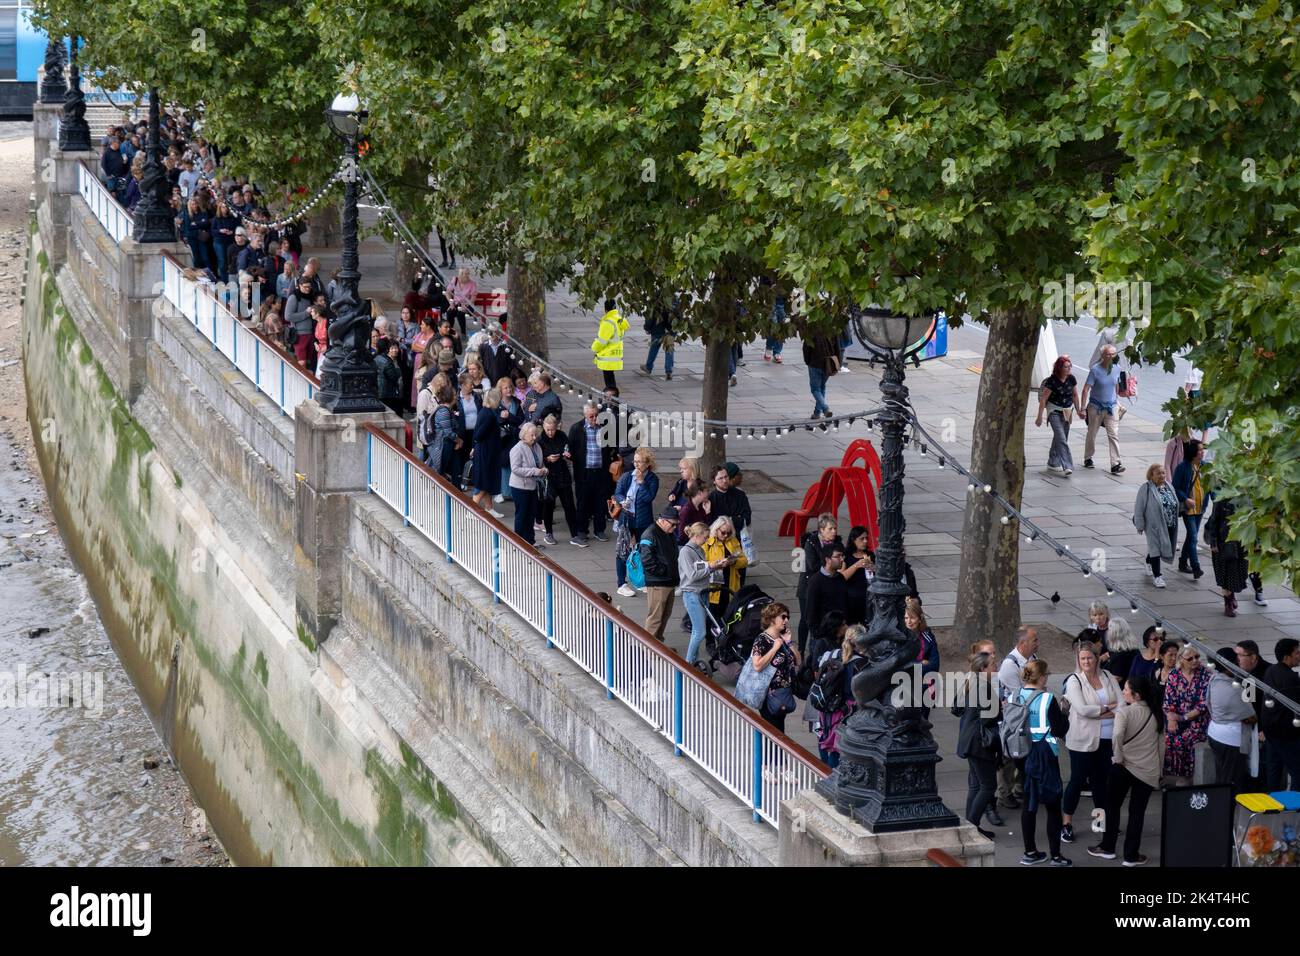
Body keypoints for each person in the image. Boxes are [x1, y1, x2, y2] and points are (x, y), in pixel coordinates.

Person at [1088, 674, 1164, 866]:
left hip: (1123, 767)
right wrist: (1159, 769)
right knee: (1137, 813)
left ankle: (1108, 847)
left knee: (1111, 807)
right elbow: (1161, 745)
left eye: (1126, 690)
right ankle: (1131, 855)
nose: (1123, 692)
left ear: (1136, 695)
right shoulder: (1156, 712)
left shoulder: (1125, 712)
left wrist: (1118, 758)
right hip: (1147, 769)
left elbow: (1118, 736)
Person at [1060, 641, 1122, 845]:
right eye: (1082, 658)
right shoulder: (1074, 681)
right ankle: (1066, 825)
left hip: (1106, 740)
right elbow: (1082, 709)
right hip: (1082, 741)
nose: (1086, 661)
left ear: (1097, 658)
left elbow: (1122, 704)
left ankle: (1099, 822)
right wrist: (1108, 708)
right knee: (1077, 782)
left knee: (1101, 784)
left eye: (1089, 657)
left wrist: (1100, 710)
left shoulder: (1108, 676)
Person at [1016, 660, 1072, 866]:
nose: (1047, 677)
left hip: (1022, 752)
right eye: (1046, 674)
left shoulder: (1016, 695)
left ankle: (1029, 851)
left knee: (1029, 804)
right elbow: (1059, 729)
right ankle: (1056, 855)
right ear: (1040, 678)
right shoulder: (1048, 698)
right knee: (1052, 804)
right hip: (1044, 755)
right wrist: (1065, 714)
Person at [955, 650, 1002, 839]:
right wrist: (1000, 708)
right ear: (983, 668)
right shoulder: (984, 686)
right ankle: (972, 826)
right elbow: (991, 716)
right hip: (979, 743)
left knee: (976, 785)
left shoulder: (970, 681)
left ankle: (970, 826)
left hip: (969, 739)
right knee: (988, 786)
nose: (996, 667)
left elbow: (956, 708)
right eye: (993, 664)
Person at [812, 624, 867, 768]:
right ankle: (831, 778)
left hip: (827, 707)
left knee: (825, 742)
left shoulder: (830, 655)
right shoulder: (861, 663)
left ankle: (823, 771)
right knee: (838, 750)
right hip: (846, 710)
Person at [997, 625, 1039, 810]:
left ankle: (1020, 788)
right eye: (1034, 640)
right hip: (1012, 720)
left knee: (1023, 754)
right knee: (1009, 757)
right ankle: (1004, 794)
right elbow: (1020, 697)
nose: (1038, 643)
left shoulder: (1032, 659)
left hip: (1025, 717)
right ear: (1023, 643)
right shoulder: (1009, 665)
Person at [1205, 497, 1266, 617]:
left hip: (1241, 543)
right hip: (1224, 542)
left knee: (1240, 574)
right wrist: (1213, 542)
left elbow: (1255, 521)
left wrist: (1256, 541)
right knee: (1227, 575)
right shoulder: (1222, 498)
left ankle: (1231, 596)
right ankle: (1228, 604)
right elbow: (1214, 521)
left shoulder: (1248, 497)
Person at [1207, 647, 1256, 792]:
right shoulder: (1234, 690)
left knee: (1222, 773)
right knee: (1233, 779)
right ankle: (1227, 807)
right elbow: (1251, 717)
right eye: (1237, 658)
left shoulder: (1214, 678)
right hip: (1231, 739)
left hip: (1215, 733)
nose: (1239, 660)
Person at [613, 447, 660, 597]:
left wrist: (641, 482)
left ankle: (640, 580)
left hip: (643, 520)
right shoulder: (627, 476)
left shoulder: (652, 479)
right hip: (626, 518)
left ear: (648, 463)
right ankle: (622, 583)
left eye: (639, 462)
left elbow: (648, 498)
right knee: (623, 550)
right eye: (635, 461)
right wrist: (622, 501)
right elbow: (618, 492)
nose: (636, 465)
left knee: (643, 551)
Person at [568, 401, 615, 547]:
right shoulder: (577, 428)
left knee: (600, 502)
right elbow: (571, 448)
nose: (594, 418)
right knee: (583, 502)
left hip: (601, 471)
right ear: (585, 415)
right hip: (584, 472)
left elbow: (611, 447)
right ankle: (582, 531)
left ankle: (599, 530)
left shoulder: (605, 428)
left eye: (596, 415)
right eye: (591, 416)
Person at [1162, 644, 1210, 786]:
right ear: (1181, 660)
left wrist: (1183, 718)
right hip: (1177, 718)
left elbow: (1203, 705)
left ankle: (1187, 776)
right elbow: (1168, 701)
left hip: (1197, 720)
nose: (1195, 660)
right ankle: (1177, 774)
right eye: (1190, 658)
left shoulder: (1205, 675)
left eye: (1197, 657)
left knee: (1182, 740)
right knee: (1168, 738)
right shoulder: (1174, 675)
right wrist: (1171, 719)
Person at [750, 603, 802, 732]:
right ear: (772, 618)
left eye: (787, 617)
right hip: (769, 695)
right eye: (783, 617)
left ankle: (774, 752)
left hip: (783, 693)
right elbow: (757, 665)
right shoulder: (762, 640)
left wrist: (789, 643)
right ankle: (770, 752)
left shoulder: (782, 638)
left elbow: (798, 661)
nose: (786, 620)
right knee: (774, 733)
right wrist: (774, 648)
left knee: (779, 731)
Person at [796, 514, 842, 653]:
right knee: (806, 618)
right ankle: (801, 650)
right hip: (808, 586)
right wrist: (832, 563)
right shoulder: (811, 542)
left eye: (835, 528)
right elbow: (813, 565)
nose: (834, 531)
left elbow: (842, 559)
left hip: (828, 586)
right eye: (830, 529)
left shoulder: (838, 542)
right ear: (821, 530)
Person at [679, 522, 719, 671]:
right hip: (692, 594)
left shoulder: (699, 549)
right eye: (705, 537)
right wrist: (711, 567)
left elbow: (702, 568)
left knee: (698, 630)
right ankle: (688, 663)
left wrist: (713, 566)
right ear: (696, 536)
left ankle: (692, 661)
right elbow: (692, 575)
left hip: (701, 592)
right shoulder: (686, 552)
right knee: (700, 631)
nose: (707, 539)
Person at [1261, 638, 1300, 791]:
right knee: (1297, 771)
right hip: (1287, 734)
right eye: (1297, 653)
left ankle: (1273, 802)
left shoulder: (1272, 670)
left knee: (1274, 769)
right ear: (1286, 657)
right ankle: (1295, 808)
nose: (1299, 656)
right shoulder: (1290, 678)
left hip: (1272, 732)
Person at [1133, 463, 1179, 588]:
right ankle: (1157, 576)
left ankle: (1148, 561)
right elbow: (1138, 508)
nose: (1162, 475)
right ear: (1151, 475)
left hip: (1169, 524)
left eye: (1163, 473)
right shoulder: (1146, 488)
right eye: (1158, 473)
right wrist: (1140, 525)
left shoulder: (1168, 486)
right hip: (1152, 525)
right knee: (1155, 548)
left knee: (1159, 548)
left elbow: (1175, 503)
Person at [1080, 343, 1124, 473]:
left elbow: (1116, 385)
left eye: (1113, 354)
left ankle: (1115, 464)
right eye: (1108, 354)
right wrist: (1083, 408)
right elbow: (1086, 389)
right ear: (1102, 356)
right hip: (1095, 407)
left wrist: (1117, 401)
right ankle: (1088, 457)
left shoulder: (1117, 368)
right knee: (1092, 433)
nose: (1111, 356)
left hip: (1111, 407)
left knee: (1114, 434)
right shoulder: (1095, 370)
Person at [639, 507, 681, 642]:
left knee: (665, 615)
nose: (674, 527)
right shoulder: (650, 534)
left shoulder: (666, 532)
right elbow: (647, 561)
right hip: (658, 582)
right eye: (672, 524)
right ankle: (648, 648)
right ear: (662, 520)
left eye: (676, 524)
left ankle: (658, 644)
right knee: (656, 617)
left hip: (669, 580)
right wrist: (665, 571)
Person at [1035, 355, 1082, 475]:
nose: (1068, 369)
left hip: (1067, 411)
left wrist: (1079, 410)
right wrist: (1040, 417)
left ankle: (1052, 462)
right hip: (1054, 411)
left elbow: (1075, 395)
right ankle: (1067, 466)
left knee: (1061, 437)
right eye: (1066, 367)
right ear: (1059, 368)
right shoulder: (1052, 381)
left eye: (1069, 366)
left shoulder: (1071, 379)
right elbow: (1044, 399)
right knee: (1061, 437)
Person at [1235, 640, 1272, 789]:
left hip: (1265, 729)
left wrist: (1265, 728)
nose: (1237, 658)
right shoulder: (1245, 672)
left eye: (1240, 655)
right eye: (1235, 654)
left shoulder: (1267, 673)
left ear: (1253, 657)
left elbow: (1271, 707)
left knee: (1263, 765)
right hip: (1252, 726)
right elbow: (1248, 704)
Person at [537, 414, 578, 546]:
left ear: (557, 427)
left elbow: (569, 451)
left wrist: (568, 455)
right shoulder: (540, 440)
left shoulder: (562, 436)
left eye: (552, 429)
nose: (550, 432)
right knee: (549, 505)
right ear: (543, 427)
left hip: (563, 475)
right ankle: (549, 533)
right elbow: (536, 460)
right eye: (548, 429)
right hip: (548, 477)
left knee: (570, 506)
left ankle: (574, 534)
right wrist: (547, 459)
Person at [1171, 438, 1209, 580]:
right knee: (1193, 537)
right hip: (1188, 509)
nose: (1202, 452)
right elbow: (1175, 487)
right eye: (1199, 450)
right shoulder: (1182, 467)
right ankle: (1196, 567)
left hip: (1200, 508)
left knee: (1191, 537)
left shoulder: (1205, 467)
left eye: (1202, 449)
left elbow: (1210, 486)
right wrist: (1186, 499)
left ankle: (1182, 562)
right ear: (1193, 452)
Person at [508, 422, 549, 546]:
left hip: (532, 486)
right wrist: (535, 471)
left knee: (531, 514)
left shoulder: (536, 447)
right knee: (522, 514)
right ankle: (518, 543)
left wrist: (544, 469)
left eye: (535, 435)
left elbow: (540, 463)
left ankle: (530, 541)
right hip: (519, 487)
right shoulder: (517, 449)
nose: (534, 438)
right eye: (532, 435)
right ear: (524, 435)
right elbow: (515, 469)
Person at [804, 543, 849, 649]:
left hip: (840, 635)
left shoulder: (840, 578)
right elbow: (810, 612)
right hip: (823, 638)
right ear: (828, 559)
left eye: (842, 556)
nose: (842, 559)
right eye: (838, 556)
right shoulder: (816, 581)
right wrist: (818, 634)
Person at [470, 388, 504, 517]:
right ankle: (471, 511)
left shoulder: (485, 412)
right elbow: (479, 434)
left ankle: (489, 508)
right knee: (484, 483)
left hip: (487, 451)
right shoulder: (489, 415)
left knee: (487, 481)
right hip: (486, 452)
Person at [702, 516, 747, 611]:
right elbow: (701, 564)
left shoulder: (733, 541)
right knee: (713, 613)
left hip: (731, 584)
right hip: (713, 585)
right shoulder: (707, 542)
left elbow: (744, 561)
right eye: (723, 532)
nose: (726, 535)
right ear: (716, 530)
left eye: (729, 532)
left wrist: (734, 561)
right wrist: (716, 564)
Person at [802, 331, 842, 419]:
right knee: (822, 387)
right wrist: (838, 363)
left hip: (815, 363)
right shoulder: (832, 329)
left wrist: (808, 361)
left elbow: (806, 348)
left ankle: (825, 408)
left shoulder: (811, 330)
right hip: (828, 363)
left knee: (815, 389)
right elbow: (838, 348)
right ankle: (817, 413)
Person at [591, 299, 628, 390]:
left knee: (610, 383)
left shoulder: (608, 322)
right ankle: (614, 402)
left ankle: (614, 402)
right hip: (616, 353)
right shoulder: (619, 319)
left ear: (606, 309)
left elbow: (602, 341)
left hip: (607, 355)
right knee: (611, 380)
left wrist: (594, 348)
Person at [842, 526, 875, 626]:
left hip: (869, 598)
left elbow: (880, 573)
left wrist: (873, 567)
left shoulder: (871, 555)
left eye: (866, 538)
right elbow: (841, 577)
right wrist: (857, 565)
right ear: (853, 540)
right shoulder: (846, 556)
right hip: (852, 601)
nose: (865, 541)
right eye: (861, 539)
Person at [708, 462, 752, 536]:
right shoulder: (711, 499)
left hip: (738, 538)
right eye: (720, 478)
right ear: (714, 481)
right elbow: (711, 522)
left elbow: (747, 519)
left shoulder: (740, 495)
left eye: (726, 477)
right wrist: (736, 518)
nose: (724, 481)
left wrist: (726, 519)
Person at [638, 298, 676, 380]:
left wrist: (647, 328)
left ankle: (648, 367)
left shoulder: (655, 297)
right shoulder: (674, 298)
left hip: (657, 329)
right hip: (670, 330)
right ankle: (669, 371)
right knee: (669, 350)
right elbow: (679, 314)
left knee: (654, 348)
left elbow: (650, 316)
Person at [1102, 617, 1141, 683]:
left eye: (1109, 629)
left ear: (1114, 634)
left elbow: (1116, 678)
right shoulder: (1134, 649)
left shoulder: (1119, 655)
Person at [675, 479, 712, 544]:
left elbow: (706, 527)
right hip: (687, 545)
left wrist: (708, 512)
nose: (708, 493)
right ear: (700, 493)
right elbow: (682, 535)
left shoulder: (702, 507)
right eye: (707, 491)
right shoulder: (687, 510)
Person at [374, 340, 405, 415]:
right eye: (391, 348)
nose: (394, 350)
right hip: (388, 393)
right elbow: (393, 377)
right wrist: (397, 371)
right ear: (387, 349)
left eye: (396, 348)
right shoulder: (387, 361)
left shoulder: (376, 358)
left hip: (379, 391)